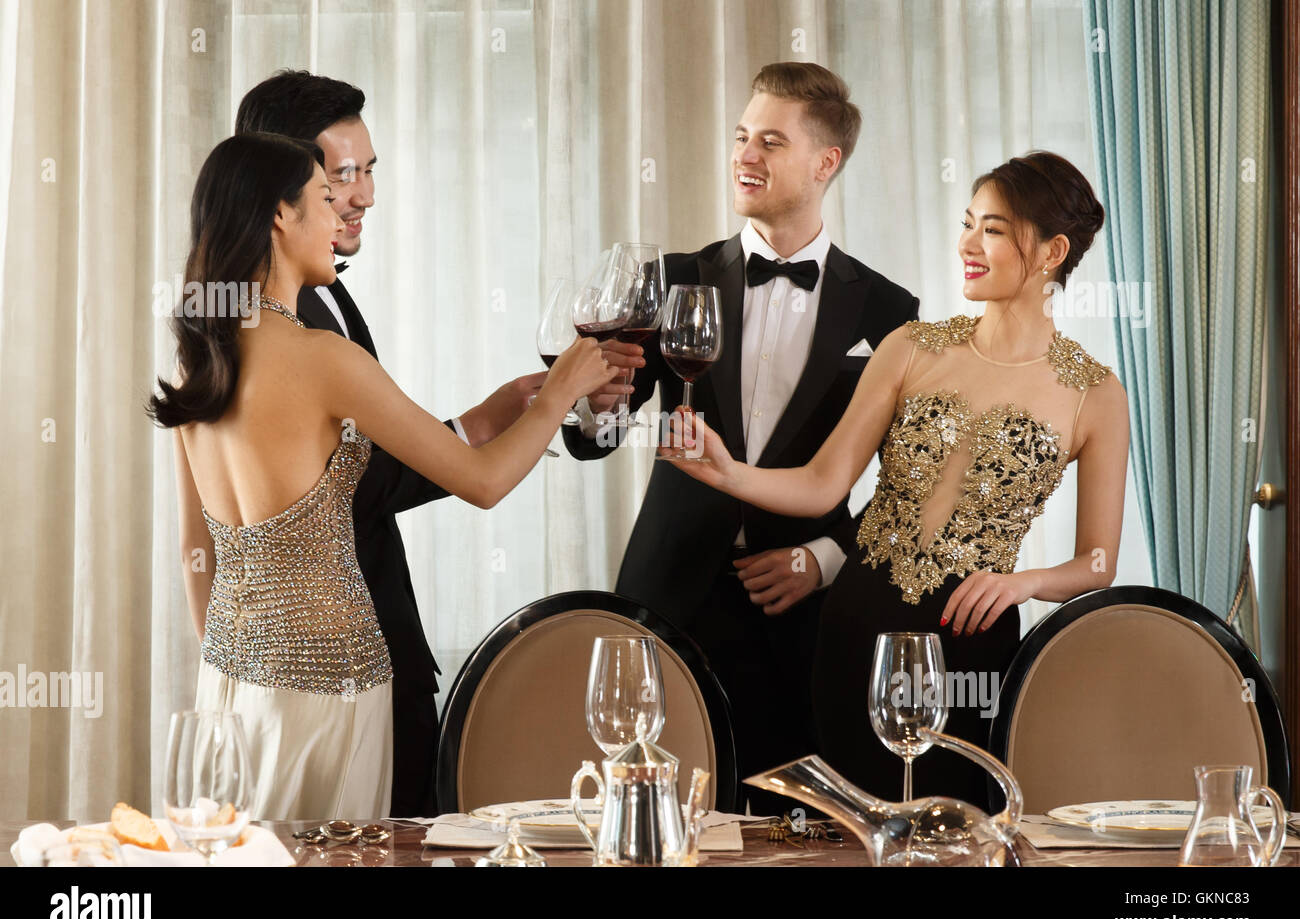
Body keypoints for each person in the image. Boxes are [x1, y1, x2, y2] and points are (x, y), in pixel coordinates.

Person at [148, 133, 615, 820]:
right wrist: (556, 396)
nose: (340, 218)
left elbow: (199, 557)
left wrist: (237, 660)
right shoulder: (322, 358)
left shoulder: (202, 363)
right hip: (330, 682)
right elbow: (482, 483)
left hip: (227, 680)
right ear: (280, 216)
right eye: (323, 198)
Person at [663, 150, 1130, 812]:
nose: (967, 243)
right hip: (859, 625)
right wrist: (731, 473)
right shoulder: (911, 347)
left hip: (972, 642)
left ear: (1052, 251)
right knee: (848, 833)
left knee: (960, 830)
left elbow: (1098, 562)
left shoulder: (1095, 394)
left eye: (992, 230)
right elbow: (825, 485)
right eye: (968, 223)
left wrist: (1024, 582)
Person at [565, 62, 918, 813]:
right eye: (740, 137)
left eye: (770, 141)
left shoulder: (890, 310)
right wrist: (596, 404)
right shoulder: (671, 277)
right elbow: (597, 436)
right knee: (657, 820)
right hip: (669, 595)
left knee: (797, 831)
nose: (745, 156)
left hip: (802, 617)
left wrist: (822, 560)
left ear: (827, 163)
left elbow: (908, 489)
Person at [233, 71, 548, 816]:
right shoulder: (302, 330)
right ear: (285, 192)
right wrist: (558, 394)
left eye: (370, 170)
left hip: (268, 672)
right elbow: (426, 487)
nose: (366, 195)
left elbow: (350, 476)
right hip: (345, 667)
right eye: (343, 176)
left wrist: (492, 412)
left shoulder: (230, 332)